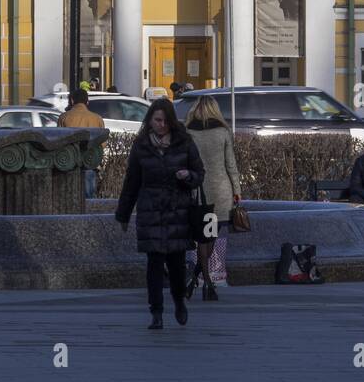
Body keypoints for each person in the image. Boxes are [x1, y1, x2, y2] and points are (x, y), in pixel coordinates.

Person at [116, 98, 206, 329]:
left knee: (177, 265)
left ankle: (179, 301)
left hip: (178, 211)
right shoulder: (142, 145)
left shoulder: (184, 142)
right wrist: (123, 214)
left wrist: (188, 176)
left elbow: (200, 174)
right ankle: (156, 312)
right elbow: (132, 182)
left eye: (165, 121)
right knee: (154, 265)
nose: (161, 125)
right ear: (150, 120)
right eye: (157, 120)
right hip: (151, 211)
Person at [184, 95, 241, 299]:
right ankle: (212, 278)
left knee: (201, 237)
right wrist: (237, 191)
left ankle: (199, 278)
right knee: (215, 236)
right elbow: (231, 166)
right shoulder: (223, 132)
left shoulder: (188, 133)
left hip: (199, 192)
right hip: (221, 192)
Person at [58, 88, 106, 199]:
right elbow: (102, 144)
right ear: (87, 102)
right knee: (89, 198)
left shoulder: (64, 117)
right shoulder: (97, 119)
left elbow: (59, 142)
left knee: (70, 198)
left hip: (70, 163)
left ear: (72, 101)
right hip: (90, 162)